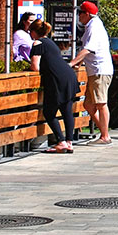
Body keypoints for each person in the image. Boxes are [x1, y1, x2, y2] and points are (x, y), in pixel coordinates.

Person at [31, 17, 80, 152]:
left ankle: (61, 141)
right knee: (66, 110)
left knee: (49, 112)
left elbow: (35, 66)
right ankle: (69, 142)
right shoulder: (51, 43)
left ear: (34, 32)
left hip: (56, 79)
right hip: (68, 76)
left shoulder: (37, 43)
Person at [68, 0, 114, 145]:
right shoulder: (92, 25)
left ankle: (105, 136)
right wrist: (79, 63)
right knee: (88, 105)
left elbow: (89, 49)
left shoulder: (94, 27)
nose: (79, 15)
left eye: (80, 12)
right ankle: (104, 132)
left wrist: (72, 63)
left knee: (101, 103)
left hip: (99, 70)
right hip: (94, 71)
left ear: (87, 14)